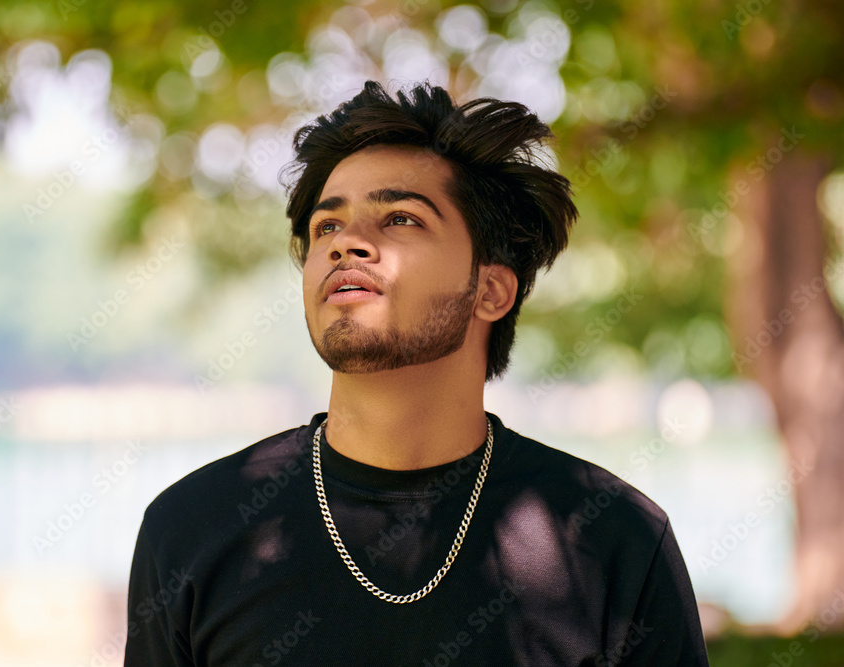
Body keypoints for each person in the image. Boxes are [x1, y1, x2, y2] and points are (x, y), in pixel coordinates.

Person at [123, 80, 710, 666]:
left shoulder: (614, 541)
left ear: (491, 290)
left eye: (400, 219)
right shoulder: (192, 529)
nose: (346, 243)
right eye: (327, 226)